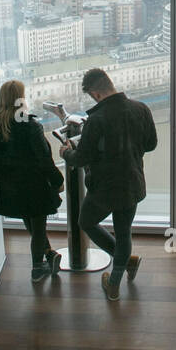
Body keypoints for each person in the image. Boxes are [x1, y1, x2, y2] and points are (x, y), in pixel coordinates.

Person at [60, 68, 157, 301]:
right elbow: (151, 144)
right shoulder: (141, 109)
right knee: (124, 232)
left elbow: (82, 158)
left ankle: (122, 266)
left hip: (103, 187)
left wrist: (65, 153)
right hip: (132, 181)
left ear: (95, 93)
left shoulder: (97, 120)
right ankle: (116, 278)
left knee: (86, 221)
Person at [0, 79, 64, 283]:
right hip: (34, 185)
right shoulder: (29, 125)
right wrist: (57, 181)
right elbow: (44, 159)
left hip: (9, 186)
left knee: (30, 222)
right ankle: (37, 268)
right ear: (21, 99)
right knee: (38, 227)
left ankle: (49, 255)